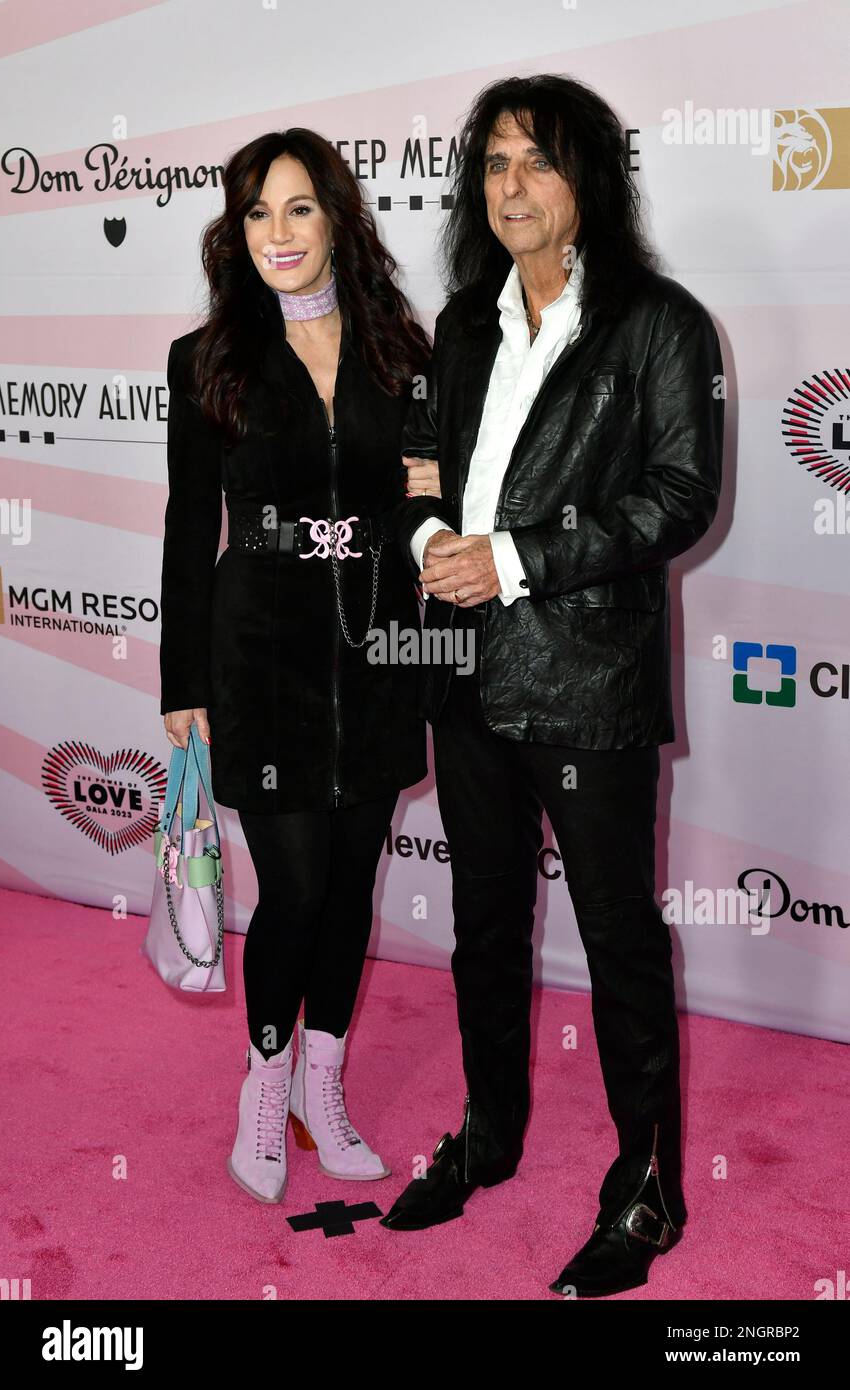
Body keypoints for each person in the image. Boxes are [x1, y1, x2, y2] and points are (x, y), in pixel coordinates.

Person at [380, 74, 724, 1298]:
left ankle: (648, 1186)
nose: (511, 187)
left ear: (590, 183)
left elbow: (680, 497)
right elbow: (421, 464)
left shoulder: (660, 325)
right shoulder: (465, 321)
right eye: (494, 165)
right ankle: (489, 1134)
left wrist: (519, 559)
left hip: (586, 681)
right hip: (467, 673)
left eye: (537, 161)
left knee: (620, 938)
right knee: (482, 924)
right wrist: (432, 550)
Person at [158, 128, 439, 1205]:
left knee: (353, 885)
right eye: (256, 213)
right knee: (299, 888)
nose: (277, 233)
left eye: (298, 209)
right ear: (237, 231)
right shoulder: (208, 359)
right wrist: (184, 683)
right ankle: (263, 1082)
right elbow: (192, 530)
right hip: (261, 656)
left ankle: (326, 1085)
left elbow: (425, 502)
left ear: (337, 218)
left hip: (375, 648)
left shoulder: (398, 352)